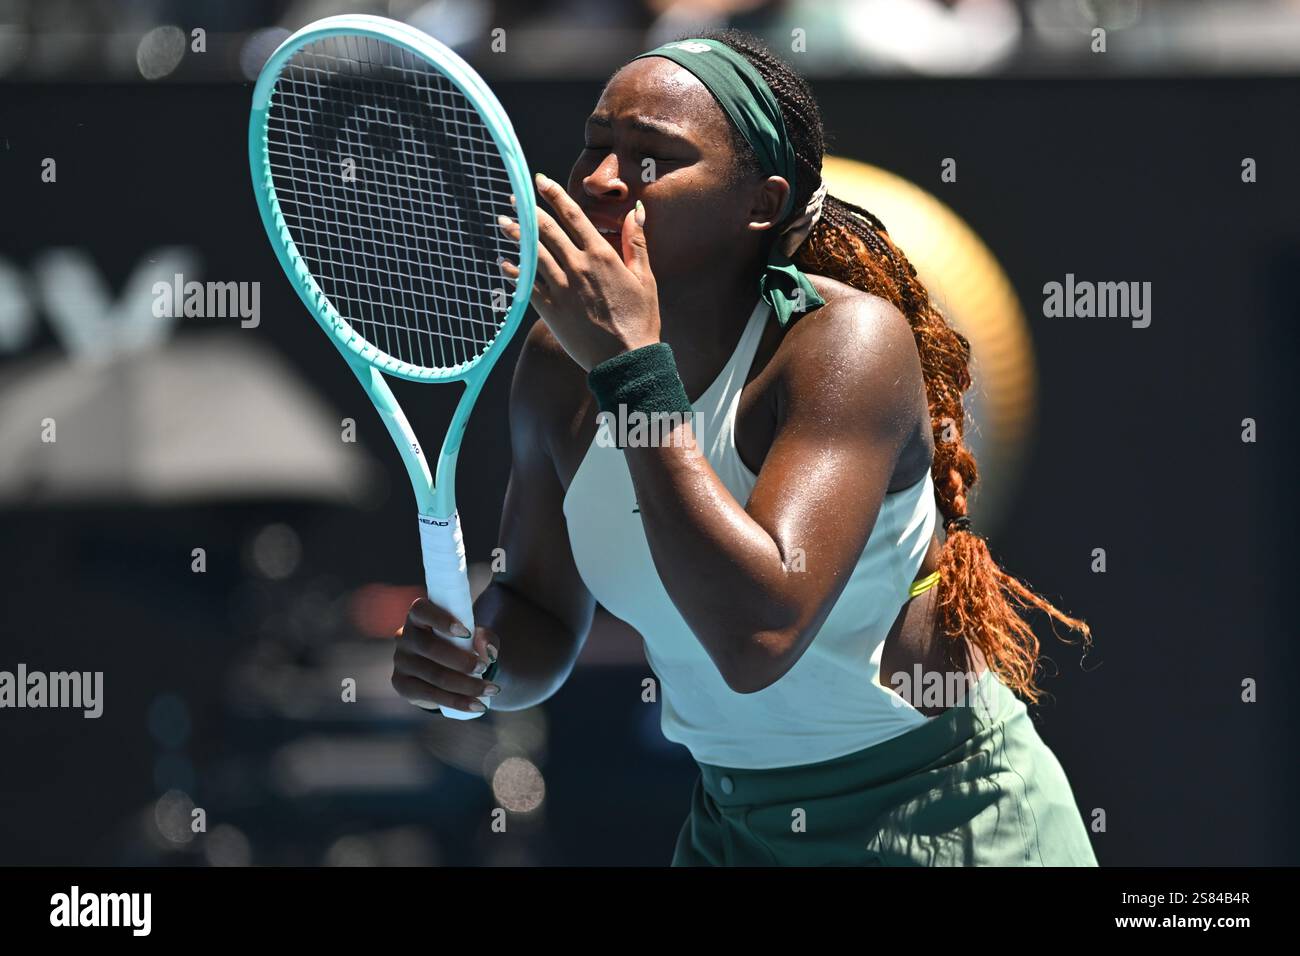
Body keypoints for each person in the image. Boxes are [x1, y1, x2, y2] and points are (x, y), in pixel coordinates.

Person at [392, 29, 1097, 866]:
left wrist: (631, 371)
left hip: (948, 821)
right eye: (595, 143)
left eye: (653, 158)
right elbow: (538, 608)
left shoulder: (846, 345)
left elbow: (758, 638)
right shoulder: (557, 365)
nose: (604, 179)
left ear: (760, 204)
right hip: (738, 828)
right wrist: (478, 663)